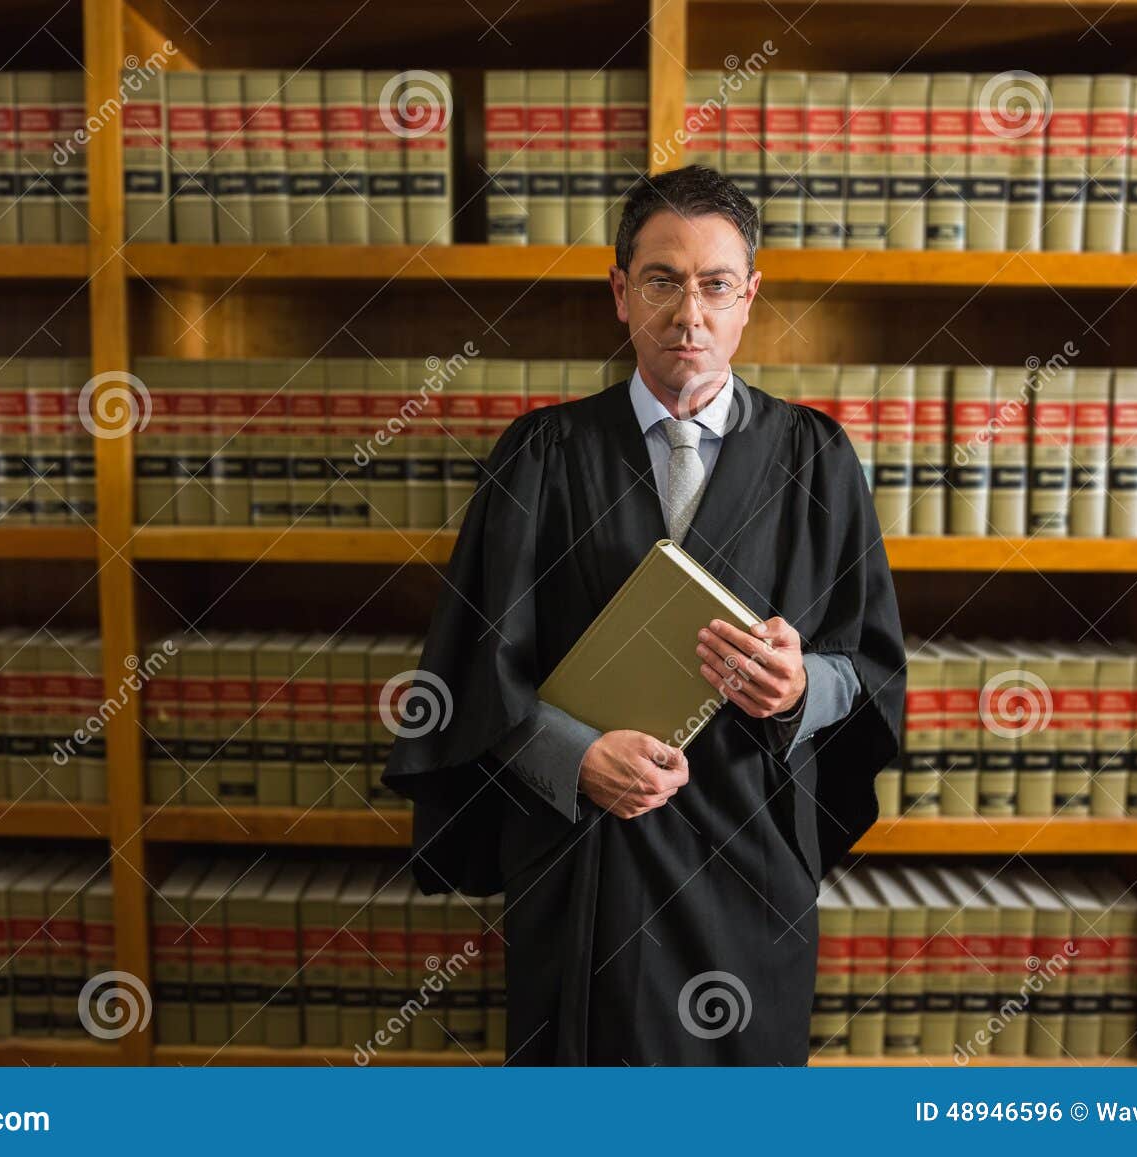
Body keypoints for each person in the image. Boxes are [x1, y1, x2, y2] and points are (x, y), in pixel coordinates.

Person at [383, 164, 905, 1064]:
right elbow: (473, 669)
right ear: (621, 293)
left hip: (753, 859)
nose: (688, 313)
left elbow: (871, 665)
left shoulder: (816, 458)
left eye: (714, 285)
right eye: (662, 281)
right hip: (585, 861)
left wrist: (799, 686)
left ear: (750, 298)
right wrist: (575, 756)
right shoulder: (543, 454)